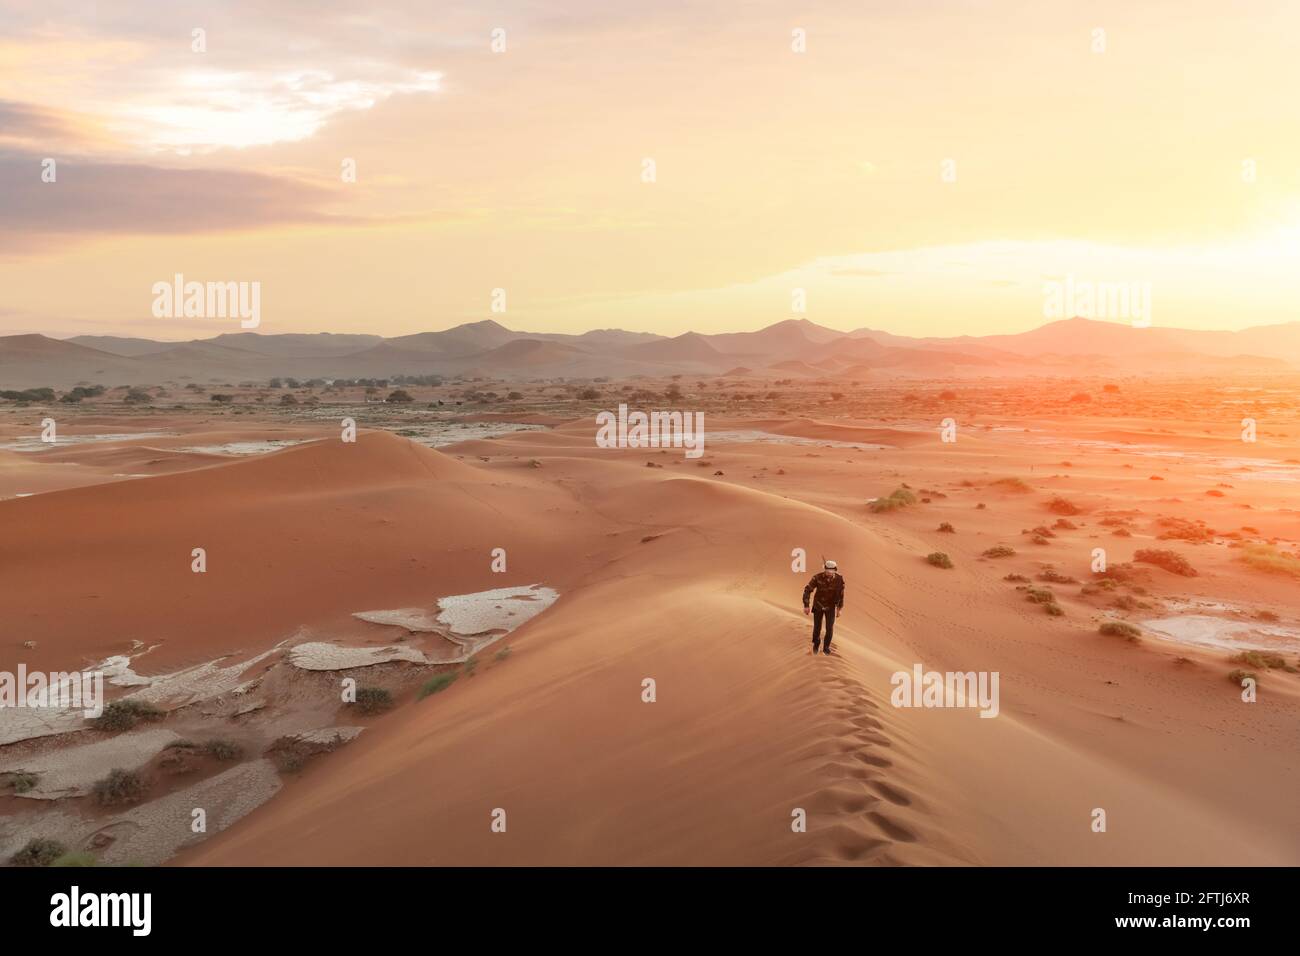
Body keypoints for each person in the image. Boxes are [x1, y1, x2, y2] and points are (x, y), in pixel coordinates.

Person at [802, 559, 844, 655]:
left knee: (829, 628)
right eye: (827, 570)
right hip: (818, 606)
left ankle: (826, 648)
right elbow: (807, 590)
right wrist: (806, 605)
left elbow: (841, 594)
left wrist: (839, 609)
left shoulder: (839, 579)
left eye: (832, 570)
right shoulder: (817, 577)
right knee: (817, 627)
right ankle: (816, 645)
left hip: (830, 607)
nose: (829, 572)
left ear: (835, 570)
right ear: (824, 569)